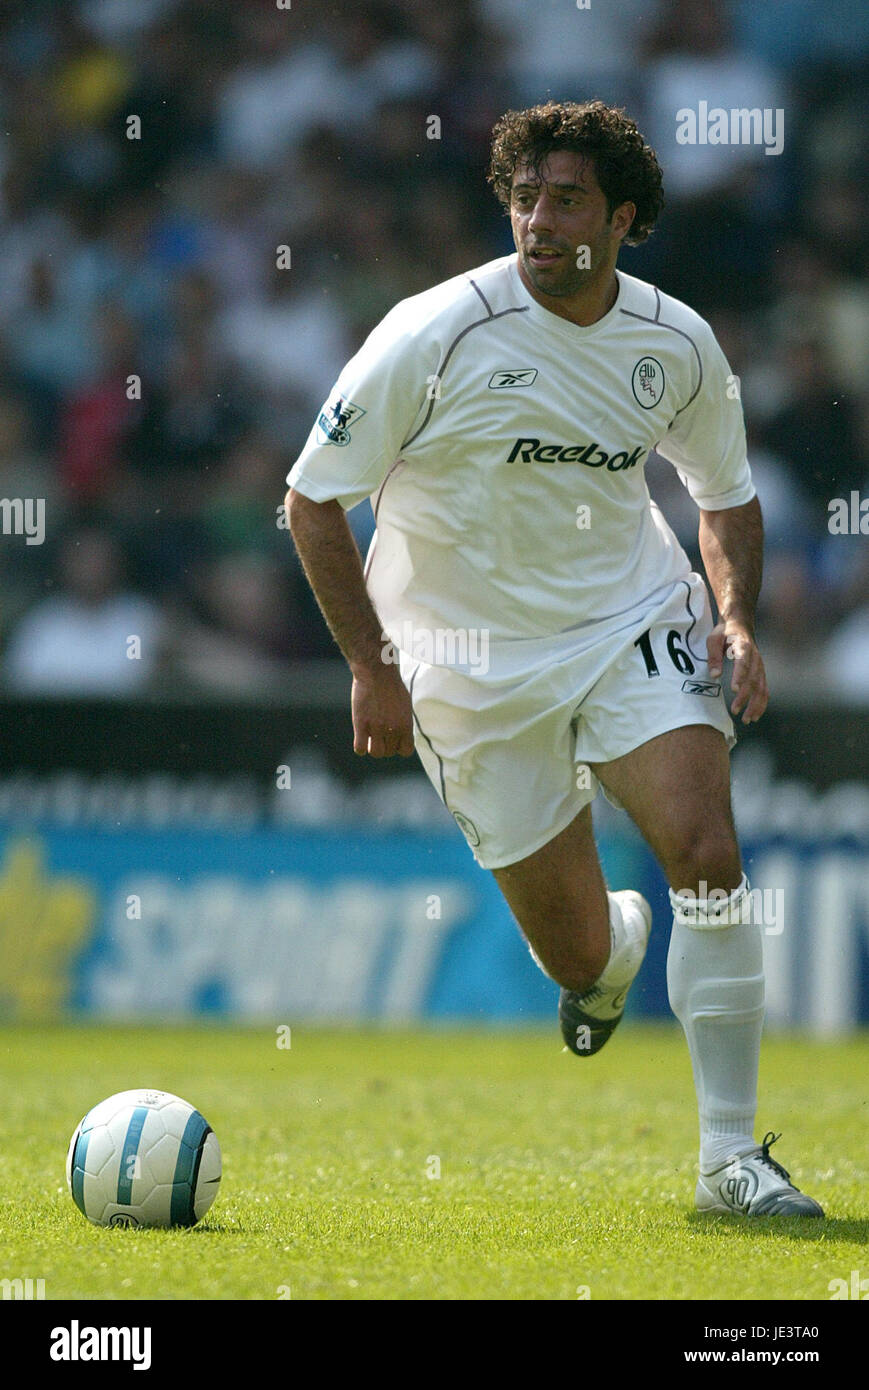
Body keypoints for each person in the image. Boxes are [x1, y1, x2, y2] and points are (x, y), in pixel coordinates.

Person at [285, 100, 822, 1218]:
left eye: (565, 199)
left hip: (626, 616)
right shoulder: (431, 333)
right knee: (575, 955)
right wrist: (373, 666)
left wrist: (732, 619)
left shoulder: (674, 343)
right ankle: (609, 952)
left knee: (705, 849)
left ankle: (729, 1159)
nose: (535, 220)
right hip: (465, 665)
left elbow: (721, 497)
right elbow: (309, 502)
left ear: (621, 218)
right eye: (524, 197)